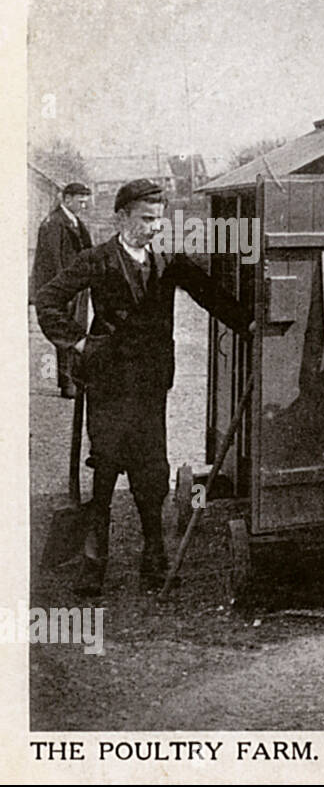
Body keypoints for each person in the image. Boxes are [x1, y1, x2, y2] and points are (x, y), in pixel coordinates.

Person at [35, 179, 252, 596]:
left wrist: (248, 323)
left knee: (152, 474)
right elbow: (47, 299)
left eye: (159, 218)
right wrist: (79, 343)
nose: (155, 227)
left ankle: (154, 556)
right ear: (122, 217)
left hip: (152, 386)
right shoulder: (96, 259)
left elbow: (208, 292)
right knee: (105, 471)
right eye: (147, 218)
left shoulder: (168, 259)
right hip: (109, 386)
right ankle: (93, 564)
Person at [31, 182, 94, 398]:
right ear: (66, 199)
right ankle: (68, 385)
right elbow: (53, 261)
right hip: (65, 289)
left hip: (78, 288)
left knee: (76, 332)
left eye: (86, 200)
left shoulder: (74, 222)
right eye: (80, 200)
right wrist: (63, 291)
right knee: (65, 334)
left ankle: (74, 380)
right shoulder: (53, 223)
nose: (84, 204)